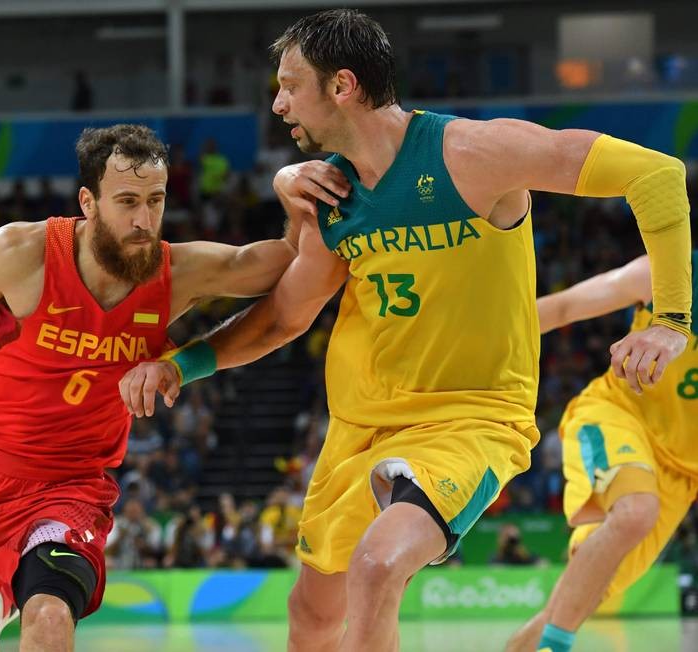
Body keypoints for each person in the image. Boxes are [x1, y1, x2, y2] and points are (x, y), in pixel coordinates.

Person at [118, 9, 692, 652]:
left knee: (379, 564)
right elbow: (284, 316)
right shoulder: (330, 197)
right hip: (359, 427)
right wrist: (182, 365)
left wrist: (672, 318)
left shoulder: (476, 153)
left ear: (341, 86)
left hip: (468, 420)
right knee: (310, 615)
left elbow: (657, 174)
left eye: (288, 85)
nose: (277, 104)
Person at [0, 123, 301, 652]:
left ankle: (6, 603)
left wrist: (297, 194)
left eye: (155, 201)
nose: (143, 220)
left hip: (69, 486)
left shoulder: (178, 272)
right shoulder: (22, 252)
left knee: (48, 618)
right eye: (127, 201)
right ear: (88, 201)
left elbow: (286, 261)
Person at [507, 252, 698, 652]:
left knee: (574, 600)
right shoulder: (668, 271)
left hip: (683, 473)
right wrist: (469, 344)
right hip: (619, 417)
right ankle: (558, 646)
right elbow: (562, 307)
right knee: (635, 510)